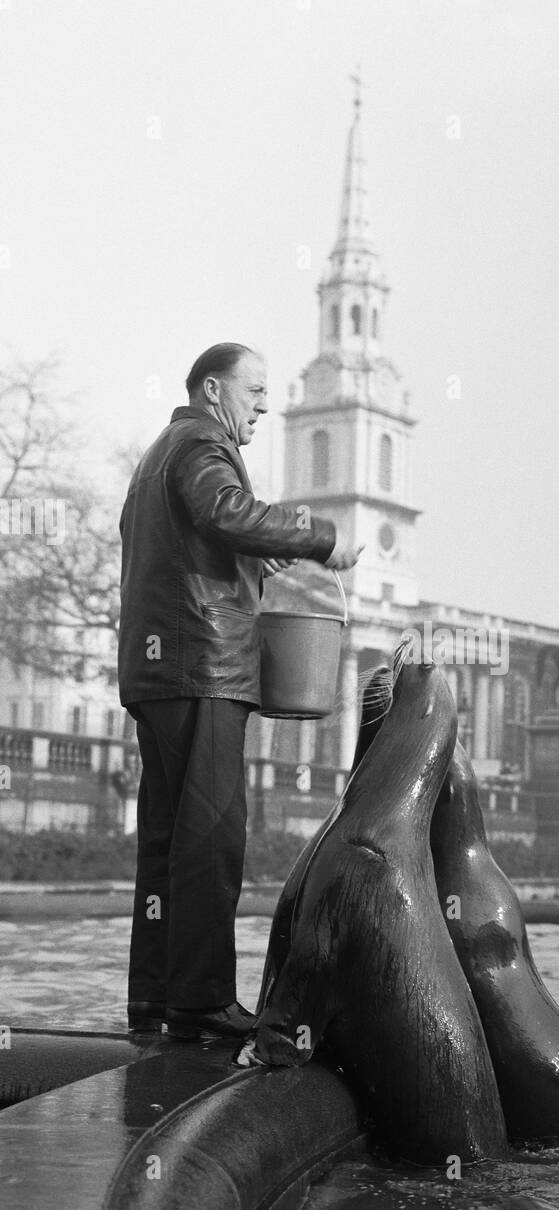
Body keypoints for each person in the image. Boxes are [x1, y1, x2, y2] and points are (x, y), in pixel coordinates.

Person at [118, 342, 361, 1039]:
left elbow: (194, 542)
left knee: (165, 840)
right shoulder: (203, 443)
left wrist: (254, 561)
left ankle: (155, 1000)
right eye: (254, 390)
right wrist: (319, 535)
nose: (264, 404)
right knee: (211, 836)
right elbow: (226, 508)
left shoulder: (159, 455)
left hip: (161, 671)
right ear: (212, 390)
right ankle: (200, 1002)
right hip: (205, 666)